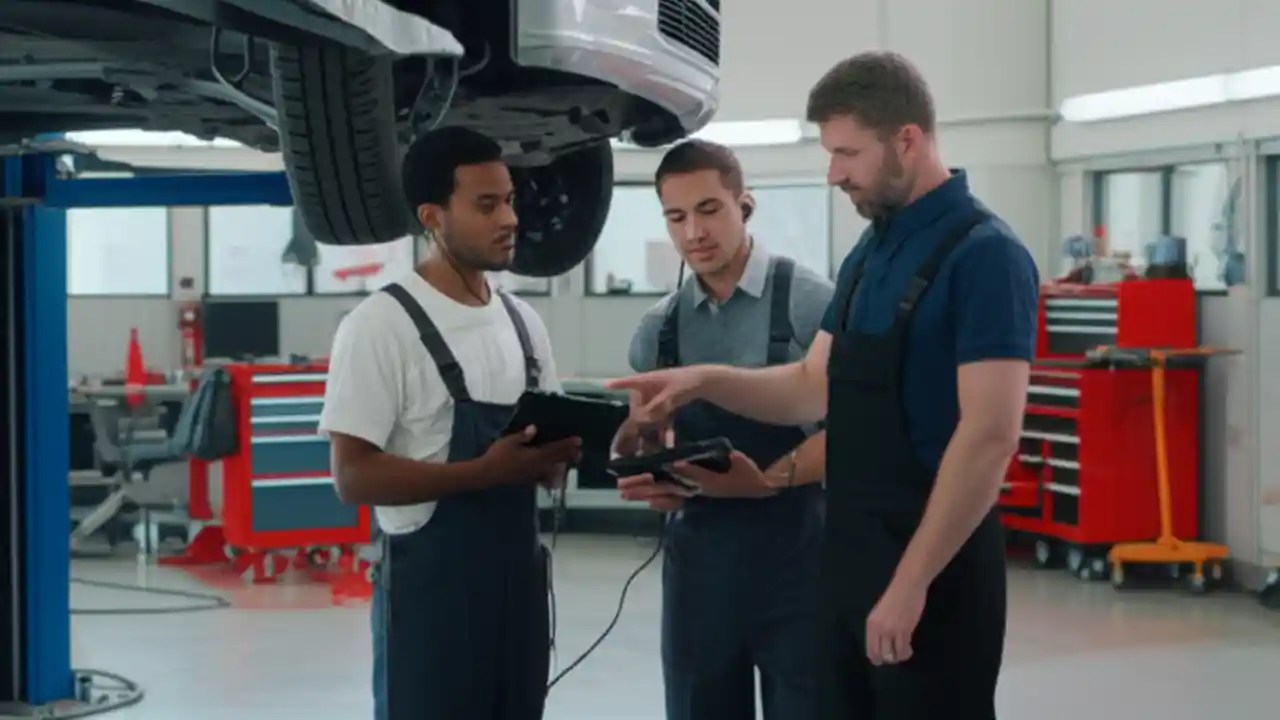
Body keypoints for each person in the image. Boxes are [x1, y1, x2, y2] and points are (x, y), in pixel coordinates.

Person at [609, 51, 1040, 720]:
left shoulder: (987, 256)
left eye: (847, 153)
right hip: (850, 561)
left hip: (935, 569)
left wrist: (910, 583)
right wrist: (703, 380)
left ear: (907, 140)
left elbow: (989, 435)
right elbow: (813, 387)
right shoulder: (870, 252)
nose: (833, 173)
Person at [318, 126, 581, 720]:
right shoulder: (380, 325)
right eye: (486, 205)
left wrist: (564, 458)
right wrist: (484, 473)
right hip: (429, 600)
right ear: (432, 217)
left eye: (509, 200)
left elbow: (548, 453)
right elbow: (352, 477)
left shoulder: (523, 322)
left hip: (518, 591)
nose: (509, 218)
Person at [613, 139, 835, 720]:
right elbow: (649, 439)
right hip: (700, 573)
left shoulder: (811, 305)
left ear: (745, 205)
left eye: (709, 209)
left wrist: (769, 480)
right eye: (676, 217)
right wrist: (648, 472)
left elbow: (859, 434)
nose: (694, 233)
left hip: (801, 564)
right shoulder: (658, 330)